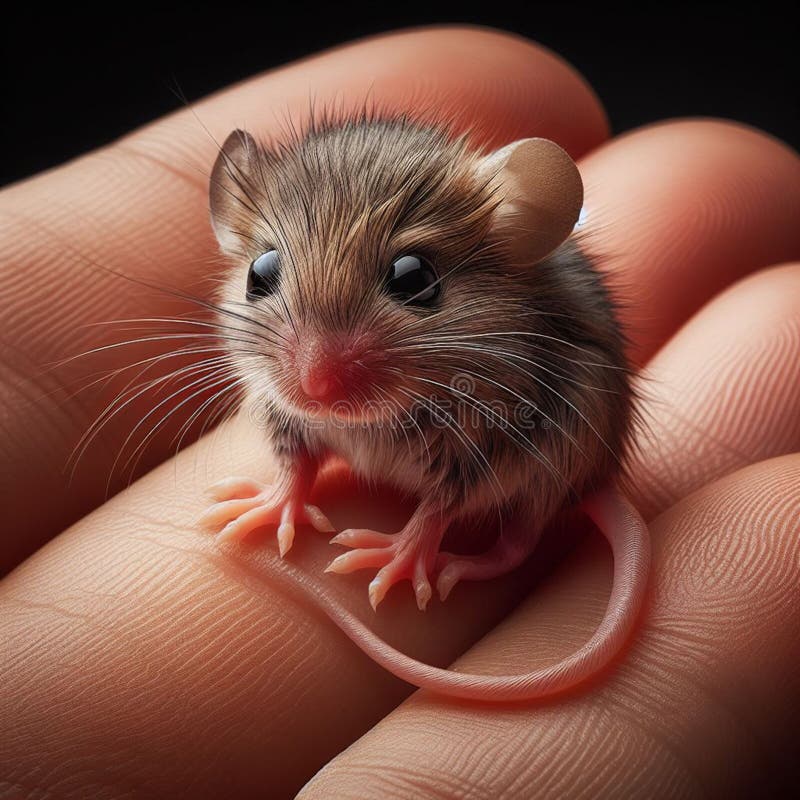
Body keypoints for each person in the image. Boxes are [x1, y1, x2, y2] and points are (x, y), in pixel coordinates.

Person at [1, 26, 798, 799]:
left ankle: (511, 539)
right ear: (237, 228)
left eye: (410, 280)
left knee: (529, 441)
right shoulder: (269, 345)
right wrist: (293, 482)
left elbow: (482, 448)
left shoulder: (503, 362)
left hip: (533, 444)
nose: (314, 374)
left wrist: (426, 534)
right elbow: (290, 401)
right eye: (270, 274)